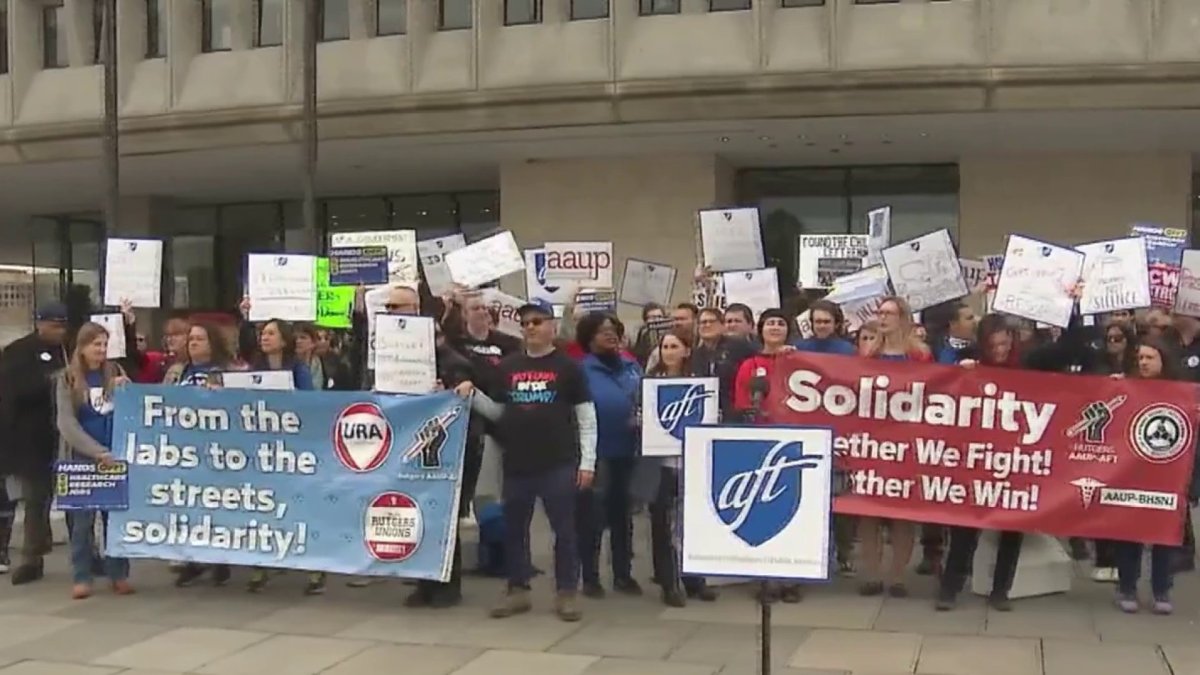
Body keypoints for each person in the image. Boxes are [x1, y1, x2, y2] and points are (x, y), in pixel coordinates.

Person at [466, 299, 597, 622]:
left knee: (564, 531)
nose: (531, 328)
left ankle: (566, 592)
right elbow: (498, 412)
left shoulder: (569, 367)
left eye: (538, 321)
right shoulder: (508, 367)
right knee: (514, 530)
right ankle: (517, 589)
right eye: (526, 323)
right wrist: (472, 396)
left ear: (552, 326)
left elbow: (586, 416)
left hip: (559, 463)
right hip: (518, 463)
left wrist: (588, 462)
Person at [936, 314, 1025, 612]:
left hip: (1015, 459)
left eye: (1005, 343)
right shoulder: (969, 361)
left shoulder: (1026, 365)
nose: (1000, 350)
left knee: (1011, 528)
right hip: (976, 457)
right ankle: (950, 587)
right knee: (965, 527)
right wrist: (958, 372)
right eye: (994, 344)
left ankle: (1001, 590)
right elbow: (936, 378)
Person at [1113, 337, 1198, 614]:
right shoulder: (1126, 386)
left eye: (1150, 357)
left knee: (1164, 535)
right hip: (1133, 473)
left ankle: (1162, 589)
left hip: (1169, 477)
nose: (1144, 362)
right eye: (1140, 358)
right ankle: (1127, 587)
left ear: (1163, 360)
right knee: (1129, 534)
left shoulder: (1183, 393)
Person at [856, 296, 930, 598]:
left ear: (903, 317)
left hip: (906, 438)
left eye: (889, 313)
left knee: (902, 513)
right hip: (873, 440)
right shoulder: (869, 353)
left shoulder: (919, 354)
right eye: (880, 313)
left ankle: (898, 576)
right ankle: (872, 574)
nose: (882, 318)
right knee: (868, 512)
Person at [54, 322, 134, 600]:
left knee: (114, 518)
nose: (100, 350)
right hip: (82, 459)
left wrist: (127, 389)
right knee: (81, 522)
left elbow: (133, 410)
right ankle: (82, 575)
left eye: (103, 344)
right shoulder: (67, 378)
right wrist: (96, 450)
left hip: (115, 457)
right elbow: (66, 423)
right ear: (82, 347)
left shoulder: (116, 372)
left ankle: (118, 573)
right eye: (95, 344)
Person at [732, 308, 803, 604]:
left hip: (794, 443)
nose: (775, 327)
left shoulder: (799, 360)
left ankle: (793, 577)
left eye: (780, 323)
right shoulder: (750, 364)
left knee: (794, 509)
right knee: (764, 510)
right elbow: (741, 401)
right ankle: (766, 576)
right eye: (769, 323)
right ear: (759, 330)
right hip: (760, 442)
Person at [643, 329, 716, 606]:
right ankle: (668, 583)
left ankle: (695, 579)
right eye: (665, 346)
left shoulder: (701, 383)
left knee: (693, 523)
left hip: (691, 462)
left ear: (687, 350)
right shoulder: (650, 383)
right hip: (660, 464)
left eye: (675, 346)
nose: (669, 351)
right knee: (662, 524)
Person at [0, 303, 70, 585]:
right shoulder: (19, 352)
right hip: (30, 436)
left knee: (70, 495)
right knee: (34, 497)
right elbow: (13, 393)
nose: (59, 332)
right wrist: (53, 381)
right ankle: (31, 557)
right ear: (40, 324)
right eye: (54, 326)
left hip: (62, 433)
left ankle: (79, 550)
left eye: (63, 326)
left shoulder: (66, 350)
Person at [168, 321, 241, 587]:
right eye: (191, 339)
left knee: (216, 504)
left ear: (212, 342)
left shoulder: (227, 371)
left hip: (216, 447)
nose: (193, 343)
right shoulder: (178, 371)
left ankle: (220, 560)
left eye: (200, 338)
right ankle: (191, 559)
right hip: (184, 448)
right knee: (188, 505)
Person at [575, 312, 643, 598]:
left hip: (629, 451)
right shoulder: (580, 370)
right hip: (597, 453)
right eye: (603, 331)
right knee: (593, 516)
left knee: (622, 515)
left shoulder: (631, 365)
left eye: (614, 329)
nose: (610, 335)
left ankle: (623, 574)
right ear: (589, 338)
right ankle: (590, 577)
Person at [692, 307, 756, 417]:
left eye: (711, 321)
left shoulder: (739, 346)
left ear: (722, 326)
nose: (707, 325)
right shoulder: (695, 355)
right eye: (702, 322)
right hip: (706, 412)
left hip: (736, 413)